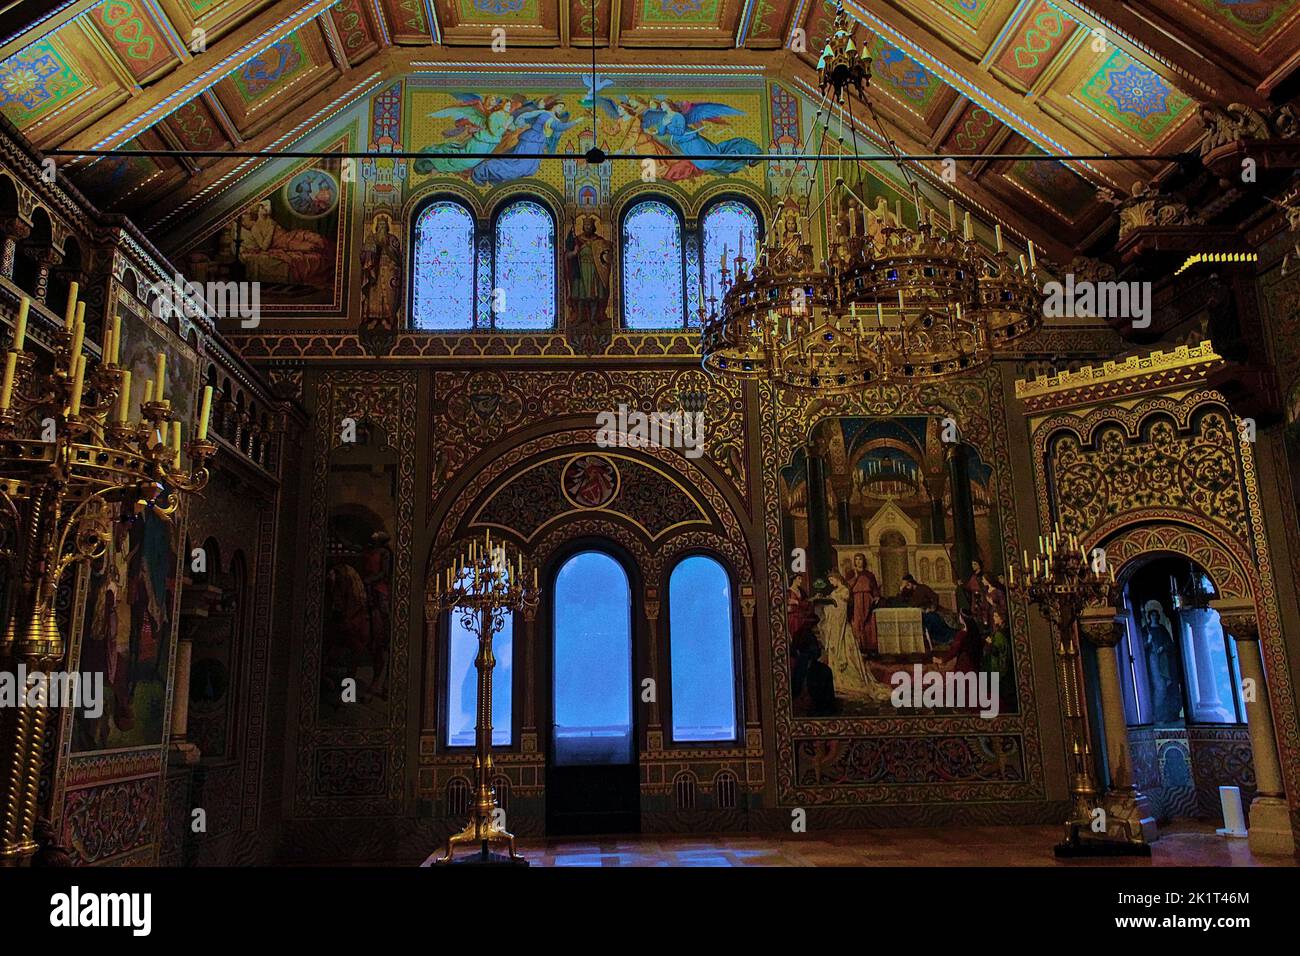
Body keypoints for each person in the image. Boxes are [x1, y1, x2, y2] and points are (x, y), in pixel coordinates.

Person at [820, 573, 891, 702]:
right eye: (829, 580)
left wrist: (833, 607)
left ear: (837, 579)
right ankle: (837, 681)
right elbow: (831, 608)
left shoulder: (844, 591)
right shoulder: (834, 592)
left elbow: (842, 610)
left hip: (842, 627)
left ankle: (850, 681)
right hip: (834, 627)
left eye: (831, 580)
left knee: (848, 655)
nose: (831, 582)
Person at [787, 575, 820, 701]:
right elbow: (788, 606)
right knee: (797, 639)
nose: (800, 581)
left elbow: (804, 604)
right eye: (799, 579)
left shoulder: (801, 592)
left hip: (801, 619)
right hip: (794, 620)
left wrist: (800, 603)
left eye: (801, 579)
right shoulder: (789, 591)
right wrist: (797, 605)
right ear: (794, 580)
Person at [900, 573, 956, 647]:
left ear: (910, 584)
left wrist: (932, 608)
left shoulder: (922, 588)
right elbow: (903, 602)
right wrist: (901, 591)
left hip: (928, 612)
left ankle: (946, 638)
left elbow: (934, 597)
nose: (905, 588)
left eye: (906, 586)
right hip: (917, 614)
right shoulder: (907, 593)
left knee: (932, 618)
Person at [849, 553, 880, 656]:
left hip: (867, 599)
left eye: (860, 559)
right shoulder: (851, 574)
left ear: (864, 561)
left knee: (869, 623)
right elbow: (848, 587)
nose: (858, 561)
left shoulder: (869, 575)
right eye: (856, 559)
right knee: (858, 623)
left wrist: (876, 596)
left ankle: (870, 648)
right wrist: (855, 577)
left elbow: (874, 588)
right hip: (856, 599)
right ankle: (859, 648)